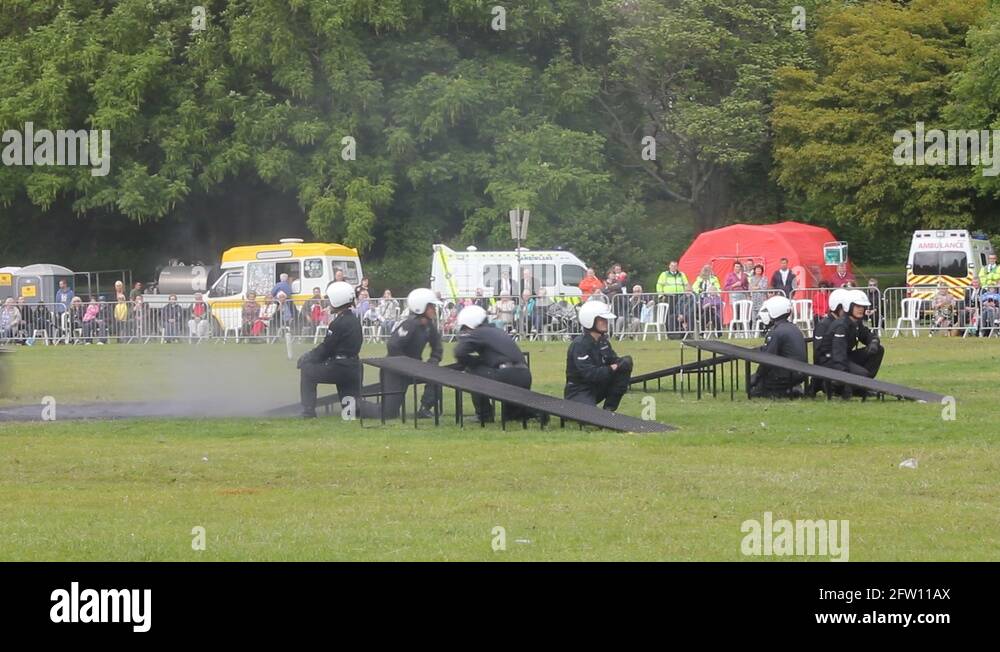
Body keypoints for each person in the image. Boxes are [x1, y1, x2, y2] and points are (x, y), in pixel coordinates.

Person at [453, 305, 533, 423]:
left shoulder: (478, 332)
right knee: (511, 418)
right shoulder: (497, 331)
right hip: (524, 375)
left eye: (465, 327)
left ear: (470, 324)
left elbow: (459, 352)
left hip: (506, 375)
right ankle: (530, 413)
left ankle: (484, 415)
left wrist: (475, 362)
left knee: (471, 370)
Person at [297, 282, 365, 419]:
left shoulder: (338, 323)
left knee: (307, 371)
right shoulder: (354, 320)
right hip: (353, 367)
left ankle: (308, 412)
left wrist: (308, 357)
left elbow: (326, 348)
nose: (328, 303)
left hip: (339, 368)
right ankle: (352, 413)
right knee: (349, 412)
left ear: (337, 300)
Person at [382, 288, 444, 419]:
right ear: (420, 307)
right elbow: (393, 346)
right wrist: (406, 364)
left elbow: (437, 345)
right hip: (395, 371)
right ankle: (358, 406)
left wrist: (434, 359)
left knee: (437, 374)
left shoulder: (429, 326)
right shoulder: (409, 324)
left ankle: (425, 408)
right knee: (389, 414)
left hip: (414, 368)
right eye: (431, 306)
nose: (434, 309)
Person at [564, 301, 633, 411]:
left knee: (625, 365)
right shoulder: (579, 345)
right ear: (590, 320)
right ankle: (577, 408)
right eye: (601, 319)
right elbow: (590, 374)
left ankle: (609, 410)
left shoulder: (603, 341)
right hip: (579, 389)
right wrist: (612, 367)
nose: (605, 322)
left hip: (597, 386)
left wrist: (623, 362)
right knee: (591, 417)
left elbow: (613, 359)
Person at [828, 289, 884, 399]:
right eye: (858, 306)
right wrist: (846, 382)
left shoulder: (856, 323)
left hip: (845, 357)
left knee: (879, 349)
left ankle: (862, 386)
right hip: (831, 360)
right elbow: (838, 356)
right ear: (849, 307)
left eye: (863, 307)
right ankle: (843, 387)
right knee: (862, 375)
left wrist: (874, 343)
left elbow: (868, 335)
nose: (861, 310)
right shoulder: (841, 326)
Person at [748, 296, 808, 398]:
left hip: (786, 374)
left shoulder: (776, 332)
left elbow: (767, 360)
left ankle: (784, 391)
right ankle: (791, 388)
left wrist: (757, 376)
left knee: (753, 389)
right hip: (800, 373)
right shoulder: (793, 328)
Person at [655, 261, 690, 333]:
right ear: (669, 266)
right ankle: (670, 331)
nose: (674, 267)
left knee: (681, 313)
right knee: (670, 314)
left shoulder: (681, 274)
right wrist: (661, 296)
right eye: (672, 266)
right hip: (669, 297)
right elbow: (659, 285)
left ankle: (680, 330)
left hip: (680, 296)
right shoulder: (664, 274)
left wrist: (687, 294)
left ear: (677, 267)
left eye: (675, 266)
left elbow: (686, 284)